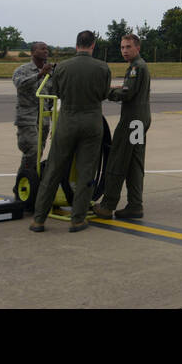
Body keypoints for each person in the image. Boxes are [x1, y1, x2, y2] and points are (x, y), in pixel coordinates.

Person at [29, 31, 110, 233]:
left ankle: (38, 219)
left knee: (54, 169)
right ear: (92, 46)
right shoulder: (102, 67)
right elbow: (103, 94)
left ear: (76, 46)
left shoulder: (62, 67)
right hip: (92, 121)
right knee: (86, 171)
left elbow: (57, 92)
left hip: (67, 120)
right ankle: (78, 219)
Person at [92, 34, 151, 220]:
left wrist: (106, 91)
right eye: (122, 47)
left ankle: (108, 205)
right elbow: (129, 89)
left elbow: (127, 94)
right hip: (140, 121)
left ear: (137, 48)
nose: (124, 51)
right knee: (134, 163)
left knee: (118, 161)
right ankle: (135, 205)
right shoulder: (140, 66)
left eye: (128, 47)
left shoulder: (136, 67)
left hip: (132, 122)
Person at [12, 41, 53, 178]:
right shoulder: (22, 70)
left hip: (43, 120)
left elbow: (53, 96)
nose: (46, 51)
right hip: (27, 119)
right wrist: (40, 74)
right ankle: (23, 182)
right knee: (32, 151)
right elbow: (20, 84)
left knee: (38, 153)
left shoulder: (51, 72)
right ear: (33, 52)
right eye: (42, 49)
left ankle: (30, 182)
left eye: (47, 49)